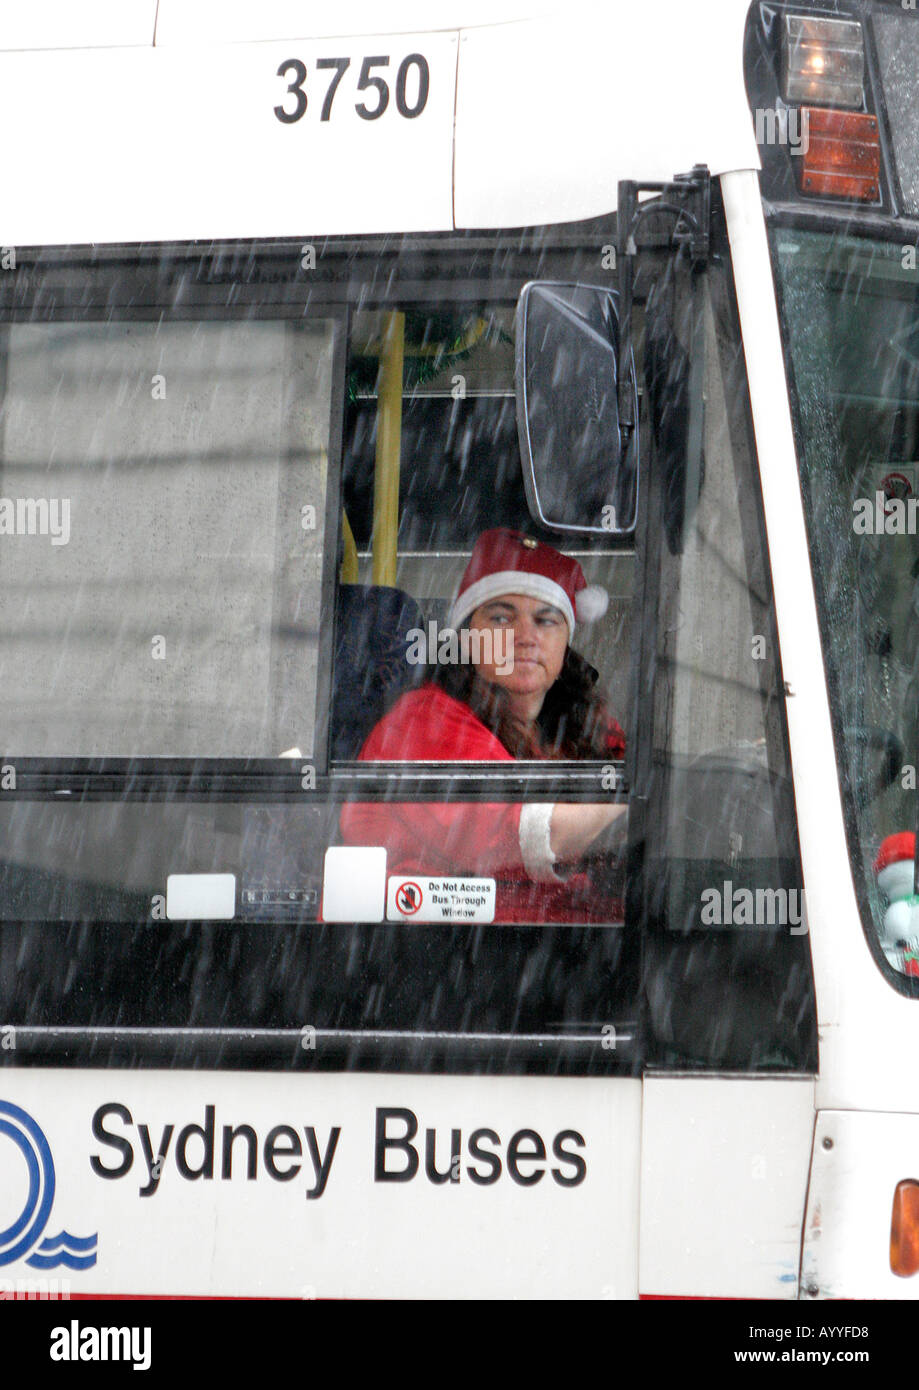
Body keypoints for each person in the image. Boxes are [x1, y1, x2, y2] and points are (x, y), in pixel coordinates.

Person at [339, 528, 627, 922]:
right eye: (502, 617)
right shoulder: (422, 723)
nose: (526, 637)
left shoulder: (586, 727)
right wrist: (646, 806)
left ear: (566, 643)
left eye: (546, 621)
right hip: (433, 954)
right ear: (468, 637)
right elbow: (534, 835)